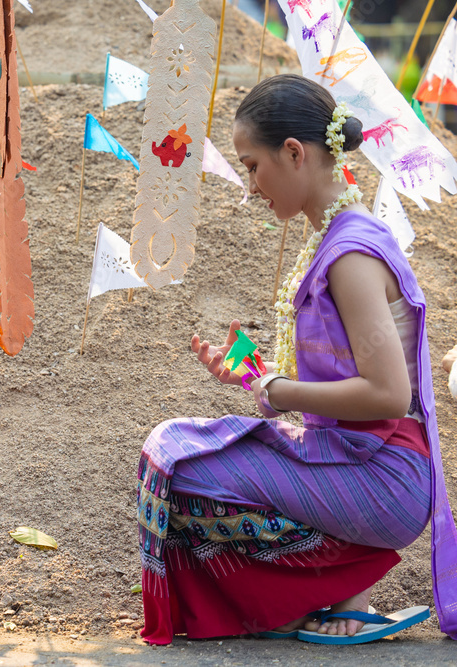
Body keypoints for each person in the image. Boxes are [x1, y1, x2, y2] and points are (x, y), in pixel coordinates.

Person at [136, 74, 457, 646]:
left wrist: (278, 392)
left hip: (384, 476)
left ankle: (333, 583)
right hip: (358, 459)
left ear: (294, 153)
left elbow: (385, 396)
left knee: (177, 469)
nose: (249, 187)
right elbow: (342, 378)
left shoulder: (351, 254)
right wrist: (257, 377)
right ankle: (340, 583)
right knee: (173, 450)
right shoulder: (335, 238)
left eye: (252, 166)